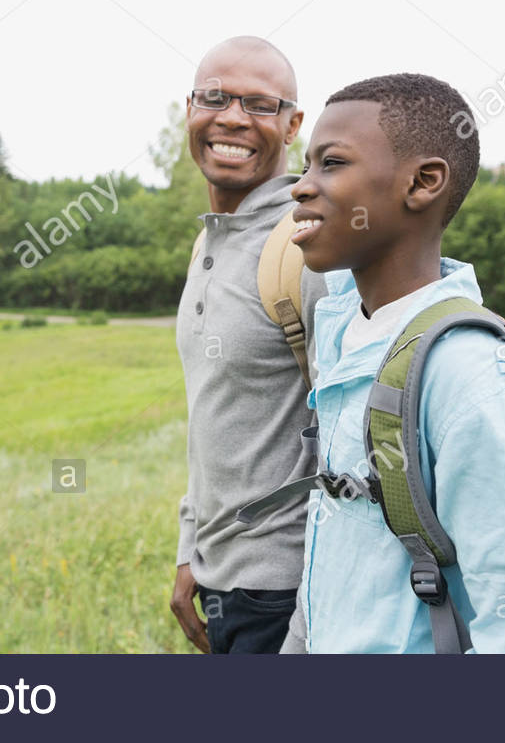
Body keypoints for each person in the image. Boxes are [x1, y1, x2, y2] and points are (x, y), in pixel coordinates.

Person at [281, 73, 505, 653]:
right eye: (305, 167)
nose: (301, 188)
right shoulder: (344, 340)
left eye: (331, 164)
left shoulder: (474, 378)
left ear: (424, 183)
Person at [170, 36, 327, 654]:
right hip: (221, 579)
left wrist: (305, 628)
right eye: (215, 98)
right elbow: (211, 414)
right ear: (190, 109)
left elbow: (355, 446)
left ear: (293, 125)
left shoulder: (308, 249)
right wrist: (191, 549)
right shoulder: (211, 240)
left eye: (260, 105)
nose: (232, 118)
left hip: (285, 593)